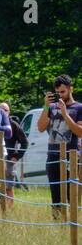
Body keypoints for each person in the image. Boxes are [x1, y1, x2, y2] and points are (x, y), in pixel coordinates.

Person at [36, 74, 82, 215]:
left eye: (63, 92)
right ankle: (57, 226)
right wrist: (45, 106)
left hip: (71, 156)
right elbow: (41, 127)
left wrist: (65, 113)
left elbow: (79, 132)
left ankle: (71, 226)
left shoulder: (79, 108)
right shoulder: (51, 107)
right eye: (58, 93)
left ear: (71, 89)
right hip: (52, 154)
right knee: (55, 196)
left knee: (70, 195)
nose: (60, 95)